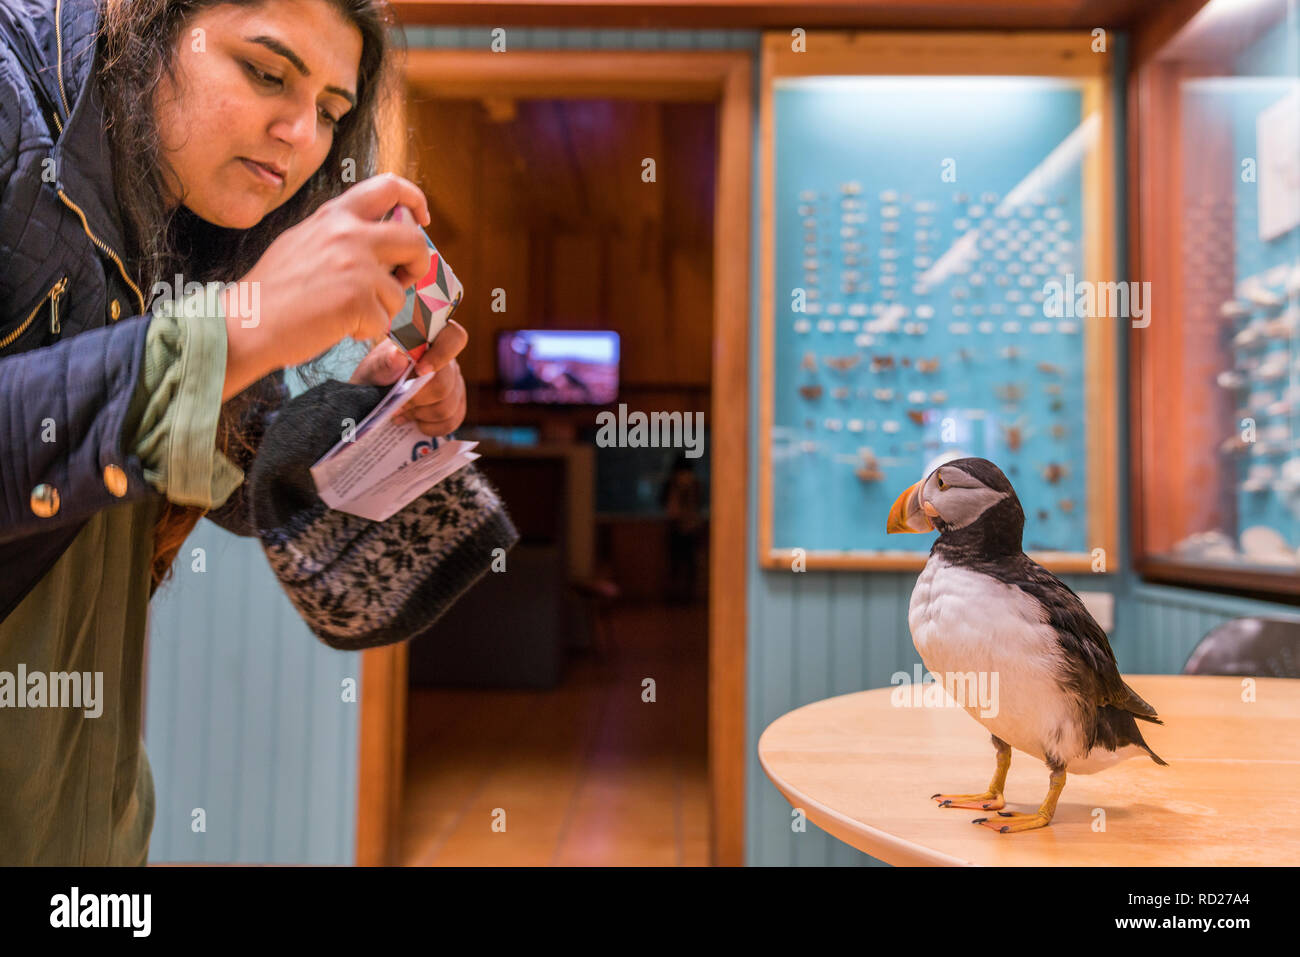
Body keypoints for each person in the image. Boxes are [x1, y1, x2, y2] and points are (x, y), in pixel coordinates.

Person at [0, 0, 472, 864]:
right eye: (264, 72)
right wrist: (239, 330)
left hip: (88, 825)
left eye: (332, 111)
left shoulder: (186, 204)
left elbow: (206, 472)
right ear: (143, 21)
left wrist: (365, 424)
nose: (300, 134)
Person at [660, 452, 704, 603]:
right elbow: (699, 505)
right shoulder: (695, 483)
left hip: (676, 526)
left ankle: (675, 596)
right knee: (689, 565)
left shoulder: (672, 482)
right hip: (691, 527)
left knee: (675, 565)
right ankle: (688, 596)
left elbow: (665, 504)